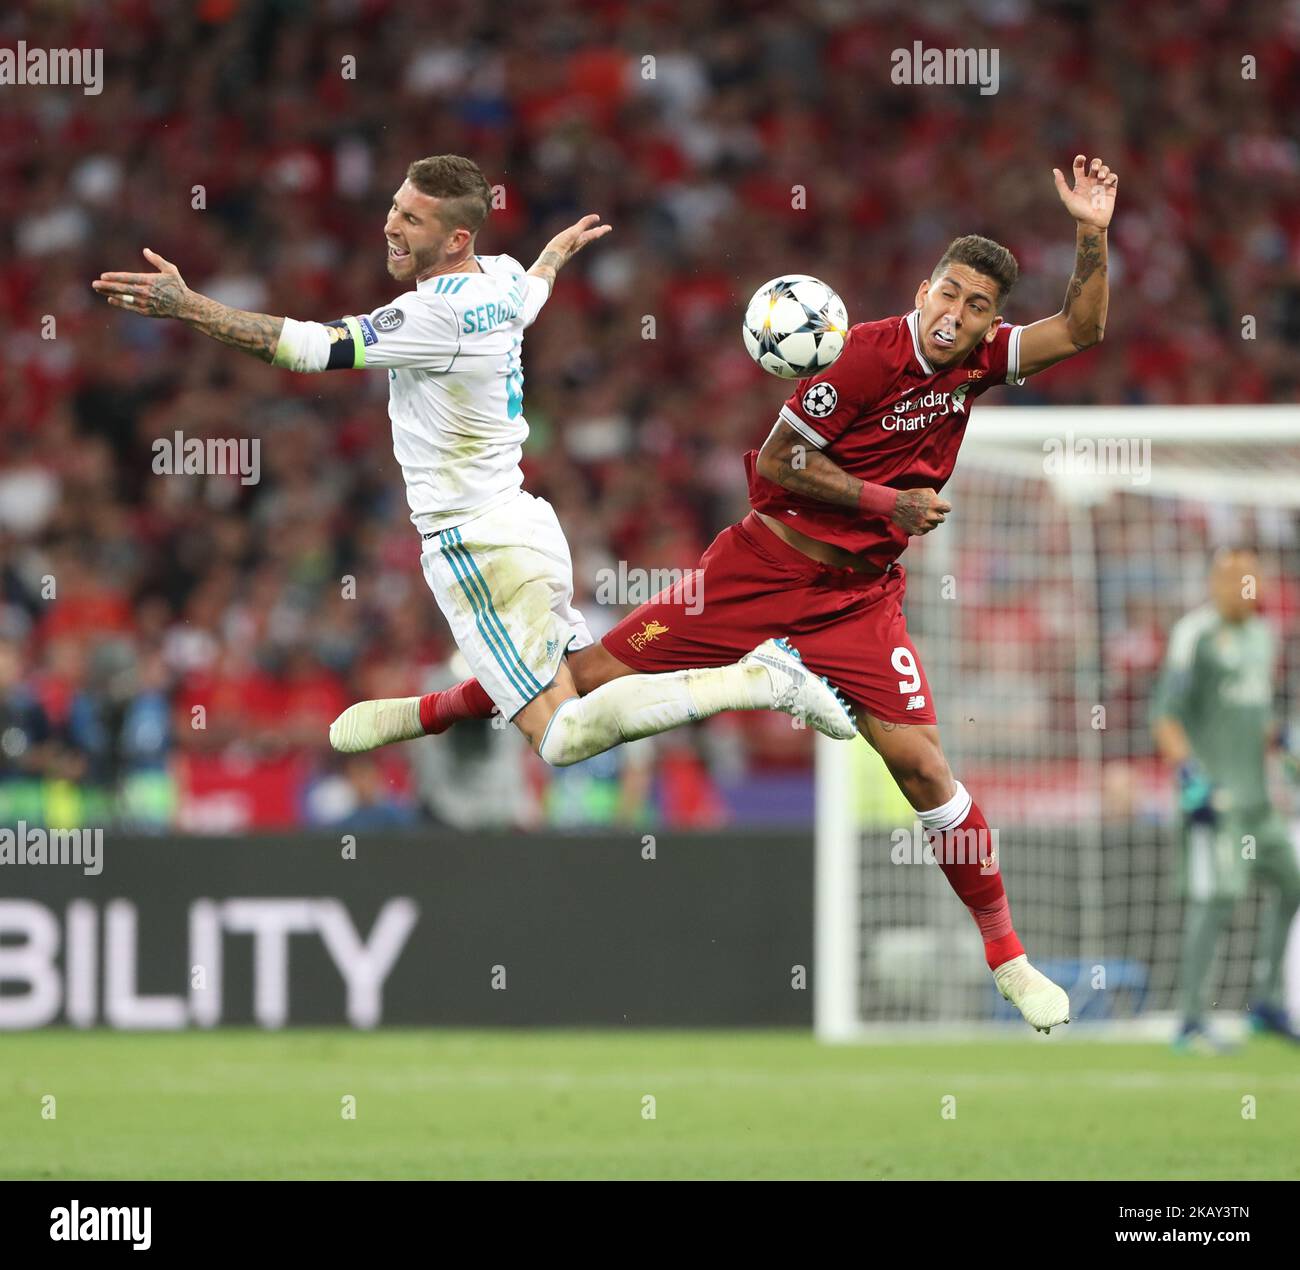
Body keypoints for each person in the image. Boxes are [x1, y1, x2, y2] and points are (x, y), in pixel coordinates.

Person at [349, 155, 1122, 1033]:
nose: (956, 317)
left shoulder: (978, 362)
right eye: (948, 294)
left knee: (924, 772)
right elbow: (784, 464)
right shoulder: (859, 357)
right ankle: (443, 707)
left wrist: (1091, 232)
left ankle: (1008, 958)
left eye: (977, 307)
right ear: (923, 287)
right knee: (585, 684)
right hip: (759, 570)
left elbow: (1081, 331)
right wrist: (888, 501)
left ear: (990, 319)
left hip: (859, 600)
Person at [91, 155, 857, 774]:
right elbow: (534, 294)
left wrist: (187, 306)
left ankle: (758, 677)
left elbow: (308, 348)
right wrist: (554, 256)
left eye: (411, 220)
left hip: (476, 546)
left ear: (455, 239)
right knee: (582, 682)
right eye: (394, 206)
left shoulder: (434, 312)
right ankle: (438, 711)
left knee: (561, 739)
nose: (390, 225)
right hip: (523, 523)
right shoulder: (501, 276)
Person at [1151, 547, 1300, 1052]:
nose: (1247, 588)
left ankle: (1266, 1003)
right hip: (1217, 801)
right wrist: (1191, 777)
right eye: (1238, 580)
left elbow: (1258, 716)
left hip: (1260, 801)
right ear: (1216, 583)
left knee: (1293, 882)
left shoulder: (1263, 637)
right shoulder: (1193, 635)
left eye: (1254, 579)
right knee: (1216, 898)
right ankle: (1191, 1020)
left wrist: (1285, 746)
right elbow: (1165, 715)